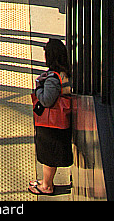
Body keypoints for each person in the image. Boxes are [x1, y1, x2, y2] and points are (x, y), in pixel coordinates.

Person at [29, 38, 73, 196]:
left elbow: (46, 100)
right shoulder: (66, 73)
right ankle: (45, 181)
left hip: (51, 125)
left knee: (48, 155)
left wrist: (39, 88)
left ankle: (46, 186)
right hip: (60, 124)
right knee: (50, 155)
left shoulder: (53, 78)